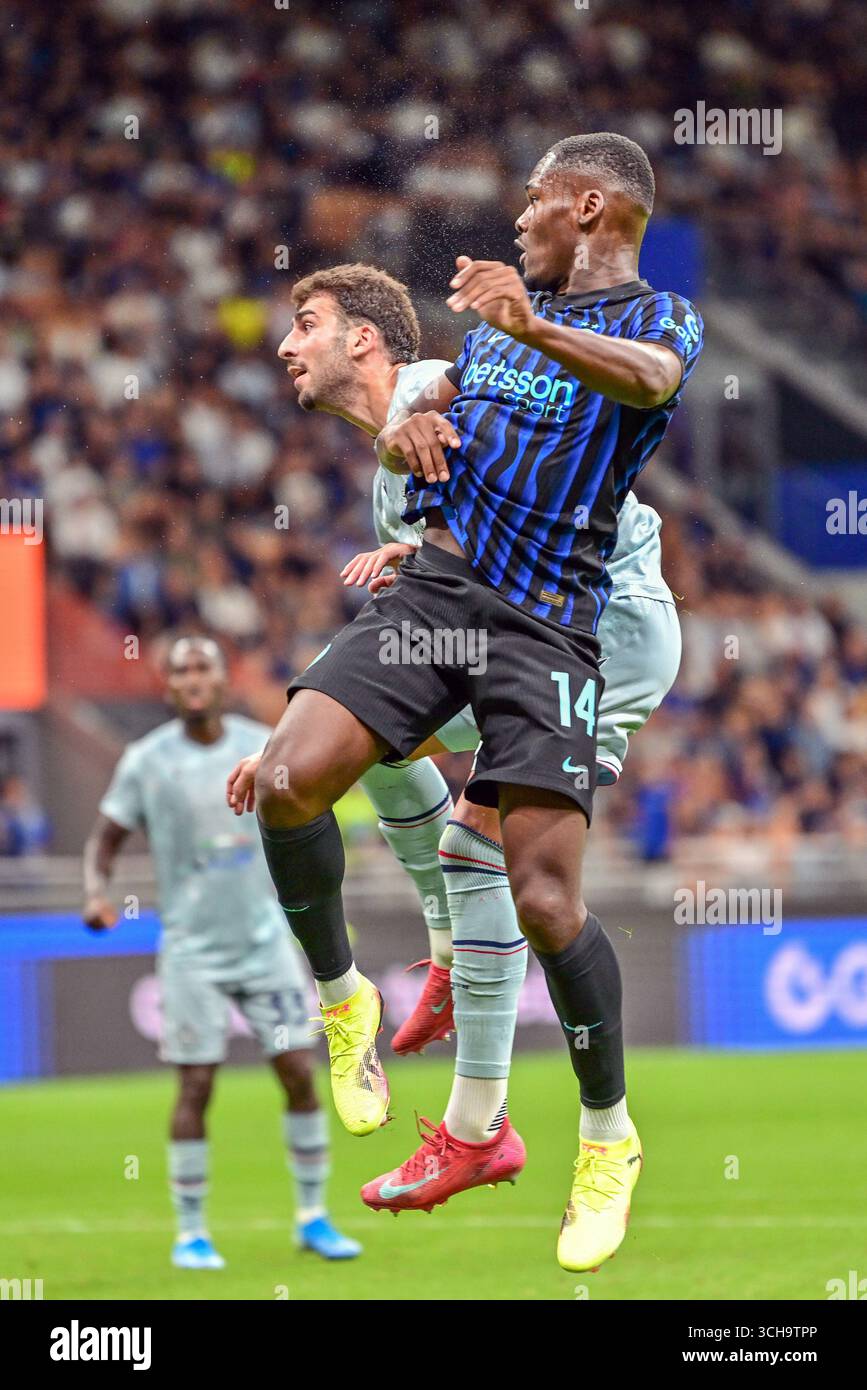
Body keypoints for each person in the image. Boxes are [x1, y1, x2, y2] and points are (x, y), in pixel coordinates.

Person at [232, 132, 703, 1272]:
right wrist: (415, 424)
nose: (519, 222)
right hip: (443, 593)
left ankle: (603, 1136)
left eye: (536, 203)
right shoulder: (482, 348)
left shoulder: (659, 322)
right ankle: (348, 999)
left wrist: (525, 325)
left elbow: (648, 385)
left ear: (589, 208)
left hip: (559, 623)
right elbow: (427, 409)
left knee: (541, 894)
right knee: (291, 779)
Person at [82, 635, 360, 1269]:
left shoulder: (262, 745)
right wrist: (99, 894)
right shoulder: (146, 760)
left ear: (223, 677)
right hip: (191, 953)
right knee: (197, 1084)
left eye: (203, 666)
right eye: (180, 670)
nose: (192, 678)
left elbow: (312, 802)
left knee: (298, 1075)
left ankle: (314, 1218)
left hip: (264, 940)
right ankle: (190, 1232)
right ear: (168, 686)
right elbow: (104, 839)